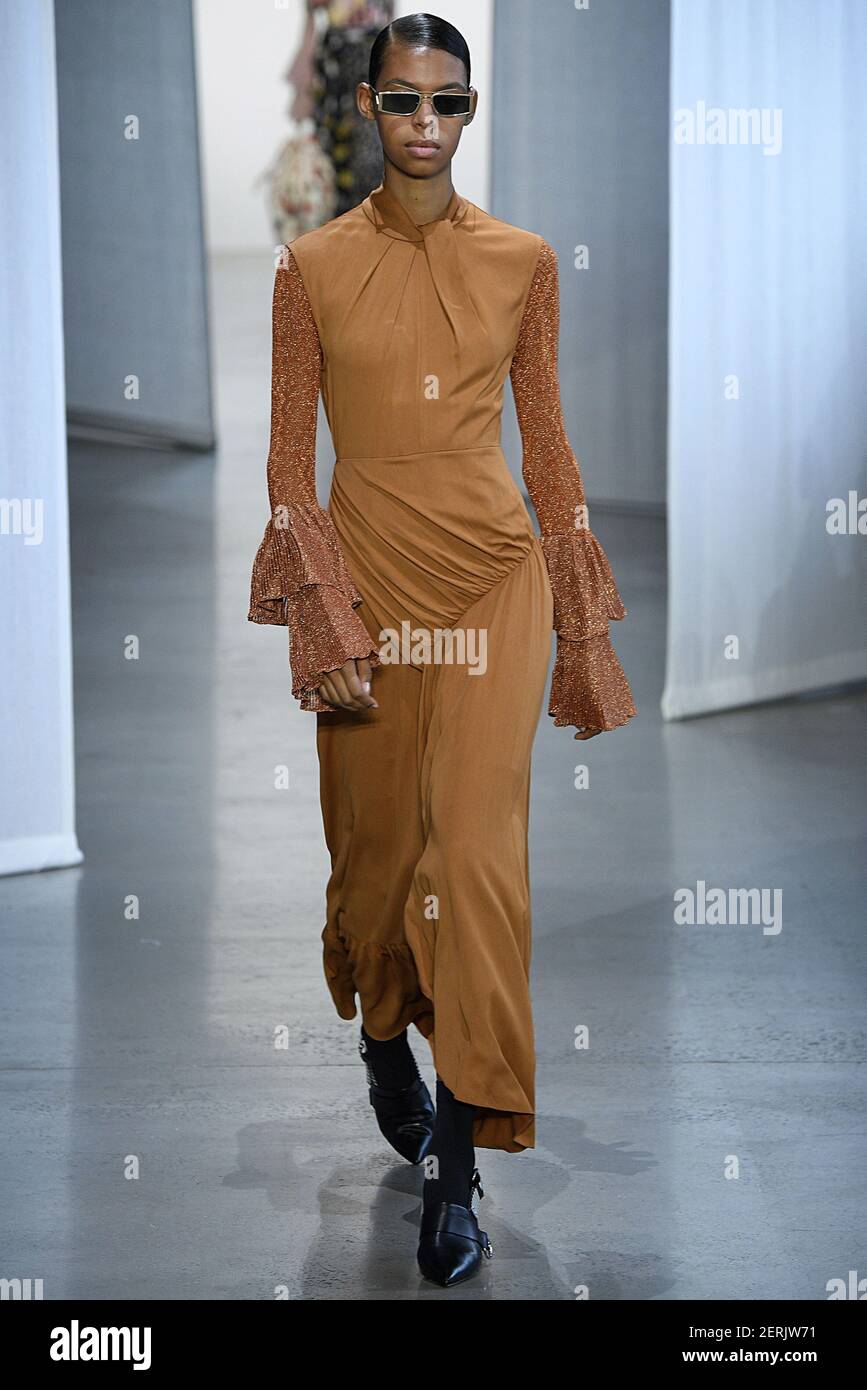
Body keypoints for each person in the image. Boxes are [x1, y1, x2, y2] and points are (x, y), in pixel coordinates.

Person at [249, 11, 636, 1288]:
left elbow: (551, 438)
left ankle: (456, 1166)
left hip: (489, 581)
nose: (427, 124)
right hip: (365, 579)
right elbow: (286, 463)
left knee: (470, 855)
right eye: (406, 101)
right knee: (372, 866)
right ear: (369, 105)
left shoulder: (522, 260)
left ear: (471, 113)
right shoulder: (308, 268)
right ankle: (379, 1043)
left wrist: (579, 605)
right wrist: (320, 608)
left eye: (450, 104)